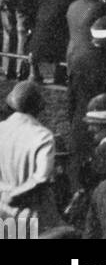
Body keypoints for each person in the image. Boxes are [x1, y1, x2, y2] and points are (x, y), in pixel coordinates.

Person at [0, 79, 61, 232]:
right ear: (39, 107)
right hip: (29, 208)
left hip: (2, 205)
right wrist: (15, 194)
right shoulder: (43, 136)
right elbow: (41, 178)